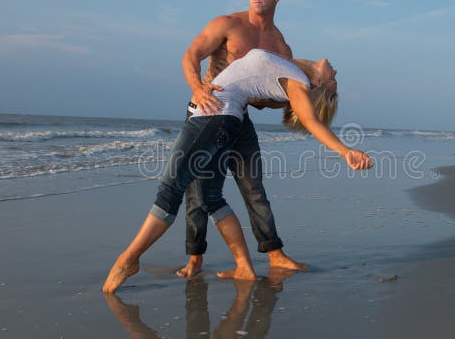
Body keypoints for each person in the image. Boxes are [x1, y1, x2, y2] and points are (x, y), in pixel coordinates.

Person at [102, 49, 373, 293]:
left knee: (171, 188)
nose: (336, 72)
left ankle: (128, 260)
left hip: (214, 118)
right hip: (222, 119)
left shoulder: (298, 84)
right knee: (210, 198)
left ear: (319, 85)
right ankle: (244, 267)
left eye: (334, 81)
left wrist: (345, 151)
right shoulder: (294, 66)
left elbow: (311, 120)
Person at [177, 0, 301, 279]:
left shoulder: (281, 47)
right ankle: (195, 258)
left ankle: (275, 253)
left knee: (253, 187)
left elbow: (263, 100)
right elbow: (191, 55)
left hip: (240, 119)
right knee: (198, 191)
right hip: (207, 113)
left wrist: (295, 99)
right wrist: (197, 89)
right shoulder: (228, 24)